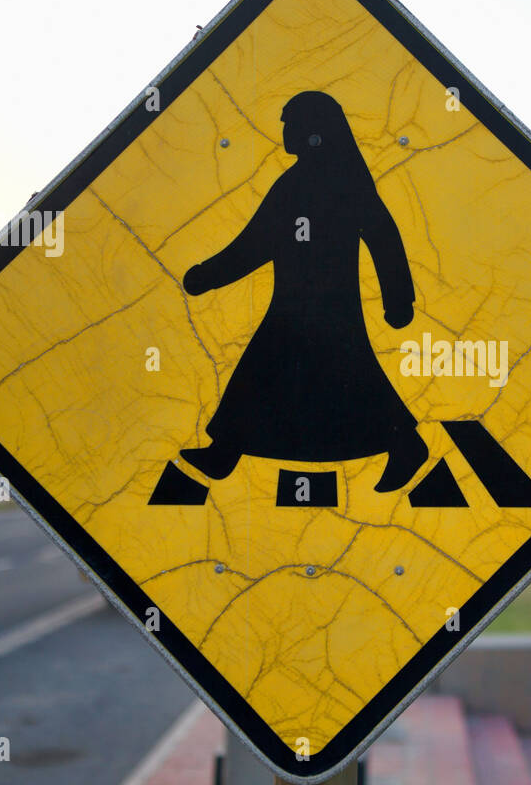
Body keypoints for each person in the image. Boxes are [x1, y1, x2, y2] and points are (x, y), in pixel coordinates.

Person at [177, 91, 428, 493]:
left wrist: (399, 302)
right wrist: (208, 276)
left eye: (291, 123)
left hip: (330, 308)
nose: (285, 132)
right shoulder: (294, 184)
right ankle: (225, 451)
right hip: (293, 304)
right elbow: (256, 243)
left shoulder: (345, 182)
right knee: (270, 372)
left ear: (314, 131)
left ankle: (406, 443)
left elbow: (384, 239)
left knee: (341, 374)